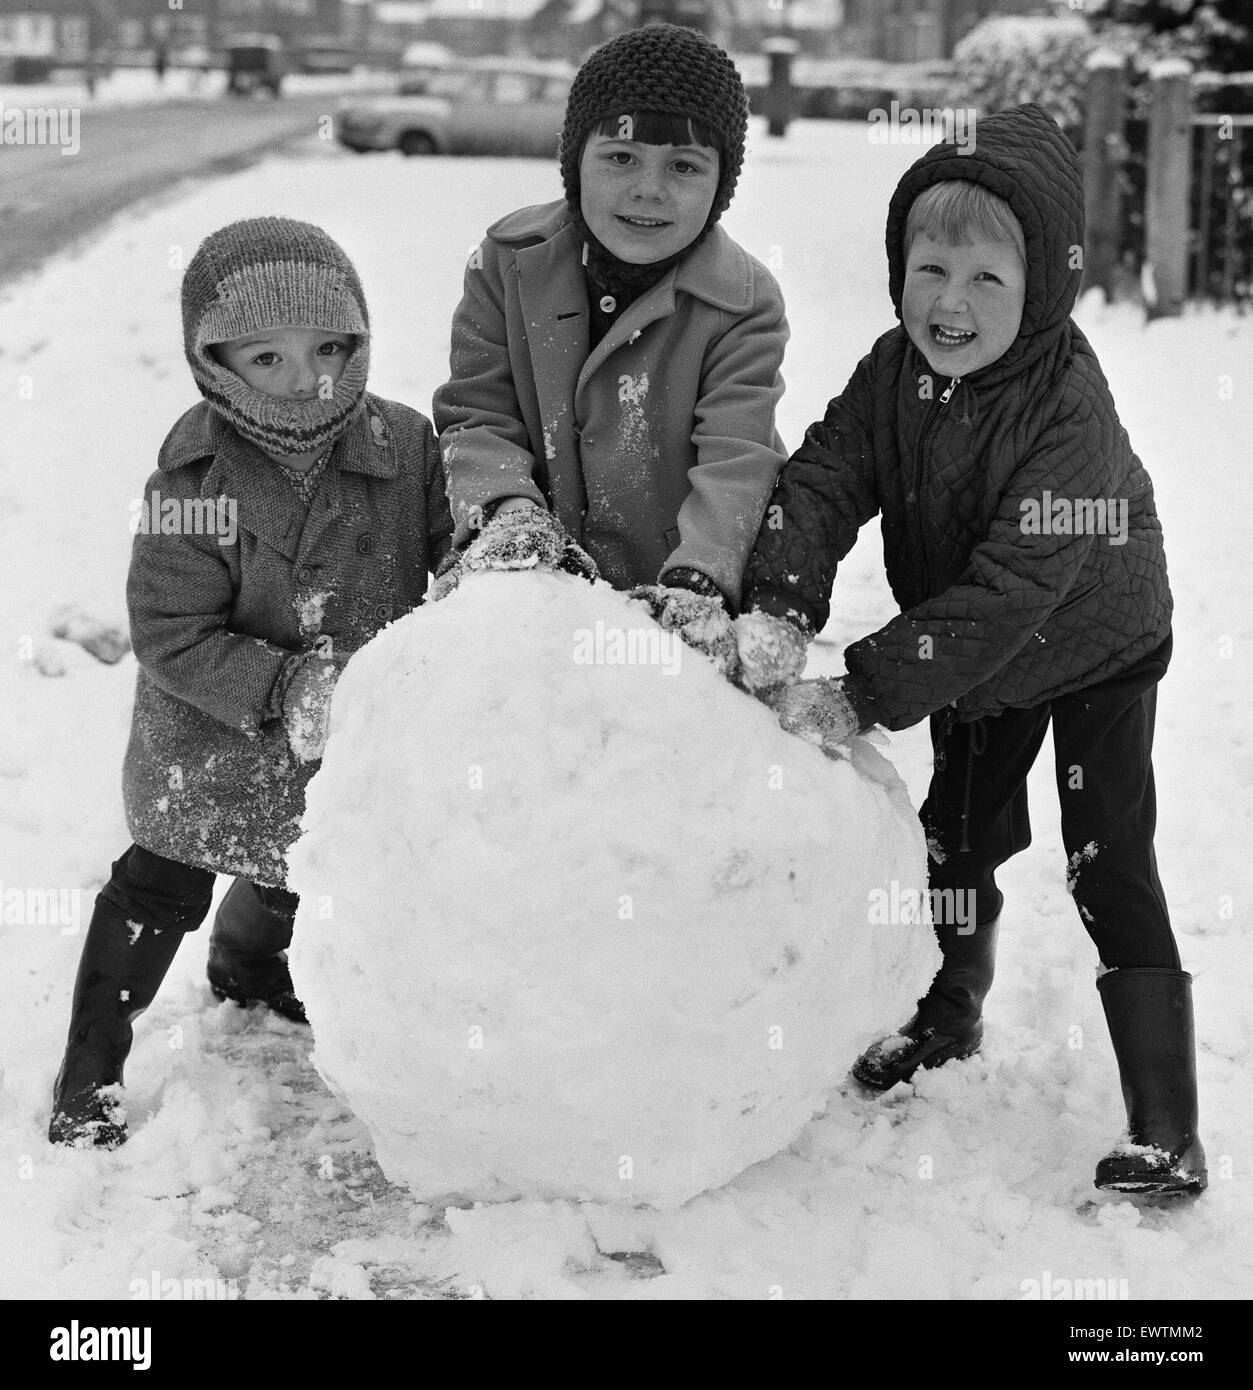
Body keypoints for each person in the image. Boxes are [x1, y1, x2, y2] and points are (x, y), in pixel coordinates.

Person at [733, 104, 1205, 1198]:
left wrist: (857, 691)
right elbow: (822, 478)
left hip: (1091, 645)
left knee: (1107, 859)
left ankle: (1166, 1127)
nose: (949, 301)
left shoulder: (1066, 416)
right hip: (976, 653)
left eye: (986, 280)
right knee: (958, 836)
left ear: (1040, 288)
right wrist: (778, 604)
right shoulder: (892, 372)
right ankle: (946, 1013)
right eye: (927, 266)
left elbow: (1003, 601)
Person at [49, 217, 453, 1148]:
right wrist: (285, 686)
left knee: (302, 870)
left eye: (327, 349)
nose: (304, 379)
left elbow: (448, 545)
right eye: (266, 357)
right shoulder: (194, 477)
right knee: (159, 888)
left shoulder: (405, 446)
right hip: (209, 726)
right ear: (215, 361)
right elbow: (171, 633)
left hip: (341, 730)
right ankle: (90, 1067)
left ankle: (248, 966)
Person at [431, 24, 788, 665]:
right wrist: (507, 514)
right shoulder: (505, 266)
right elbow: (477, 415)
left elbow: (737, 460)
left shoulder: (741, 303)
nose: (649, 189)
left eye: (683, 167)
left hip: (668, 608)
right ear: (575, 162)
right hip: (532, 597)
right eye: (621, 158)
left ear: (721, 185)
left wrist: (697, 582)